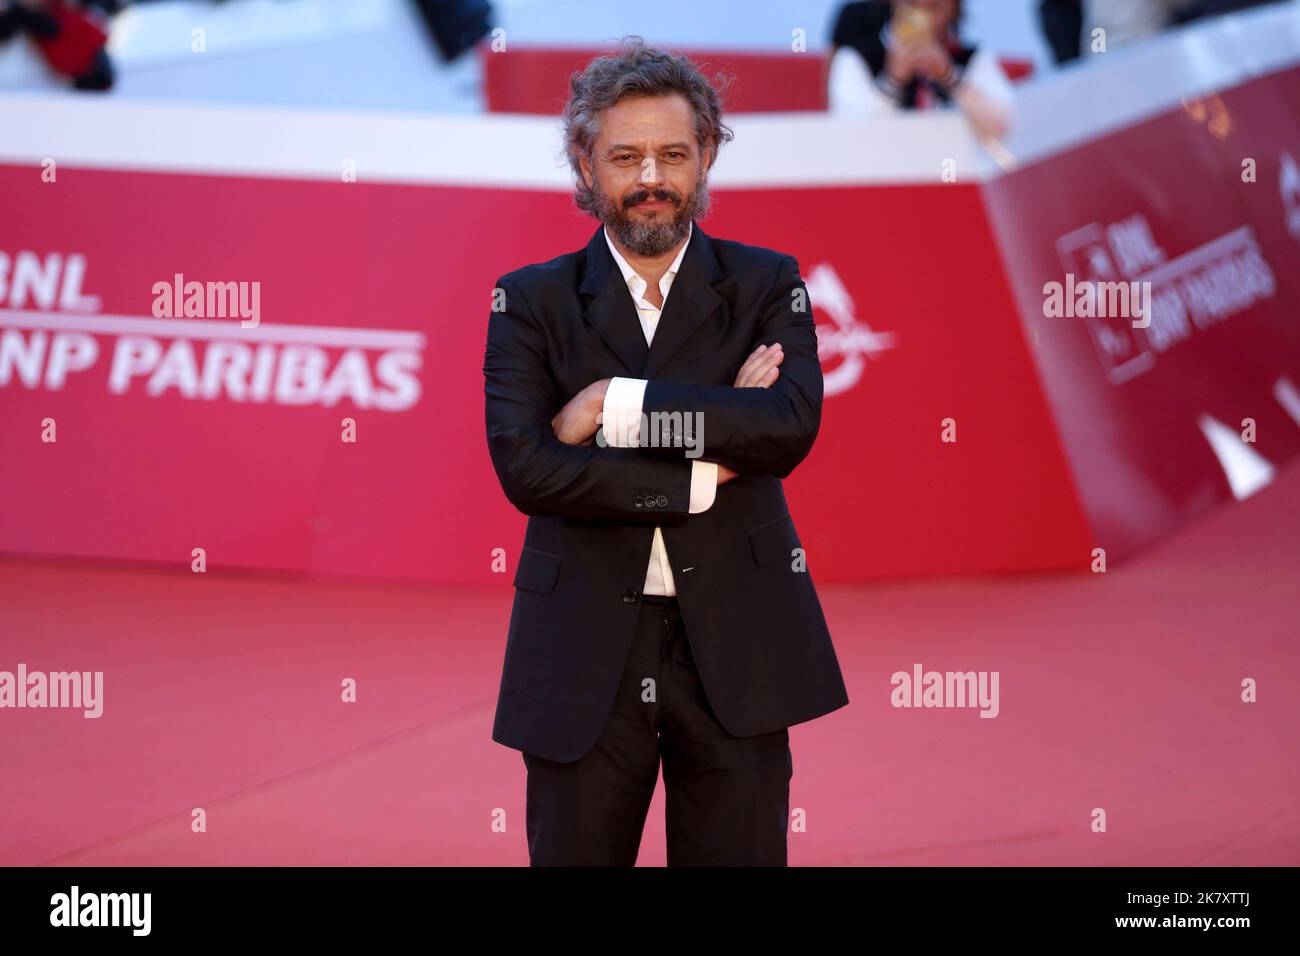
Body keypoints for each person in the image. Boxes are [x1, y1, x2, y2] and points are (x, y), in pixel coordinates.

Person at [482, 37, 850, 866]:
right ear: (585, 164)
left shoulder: (766, 283)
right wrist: (704, 464)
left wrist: (613, 405)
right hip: (582, 645)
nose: (652, 178)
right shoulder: (531, 300)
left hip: (739, 639)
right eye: (626, 156)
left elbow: (787, 426)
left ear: (708, 155)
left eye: (673, 154)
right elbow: (528, 468)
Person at [828, 0, 1013, 140]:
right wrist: (893, 81)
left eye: (935, 6)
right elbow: (851, 140)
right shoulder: (855, 59)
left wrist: (950, 78)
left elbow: (1005, 130)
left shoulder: (974, 59)